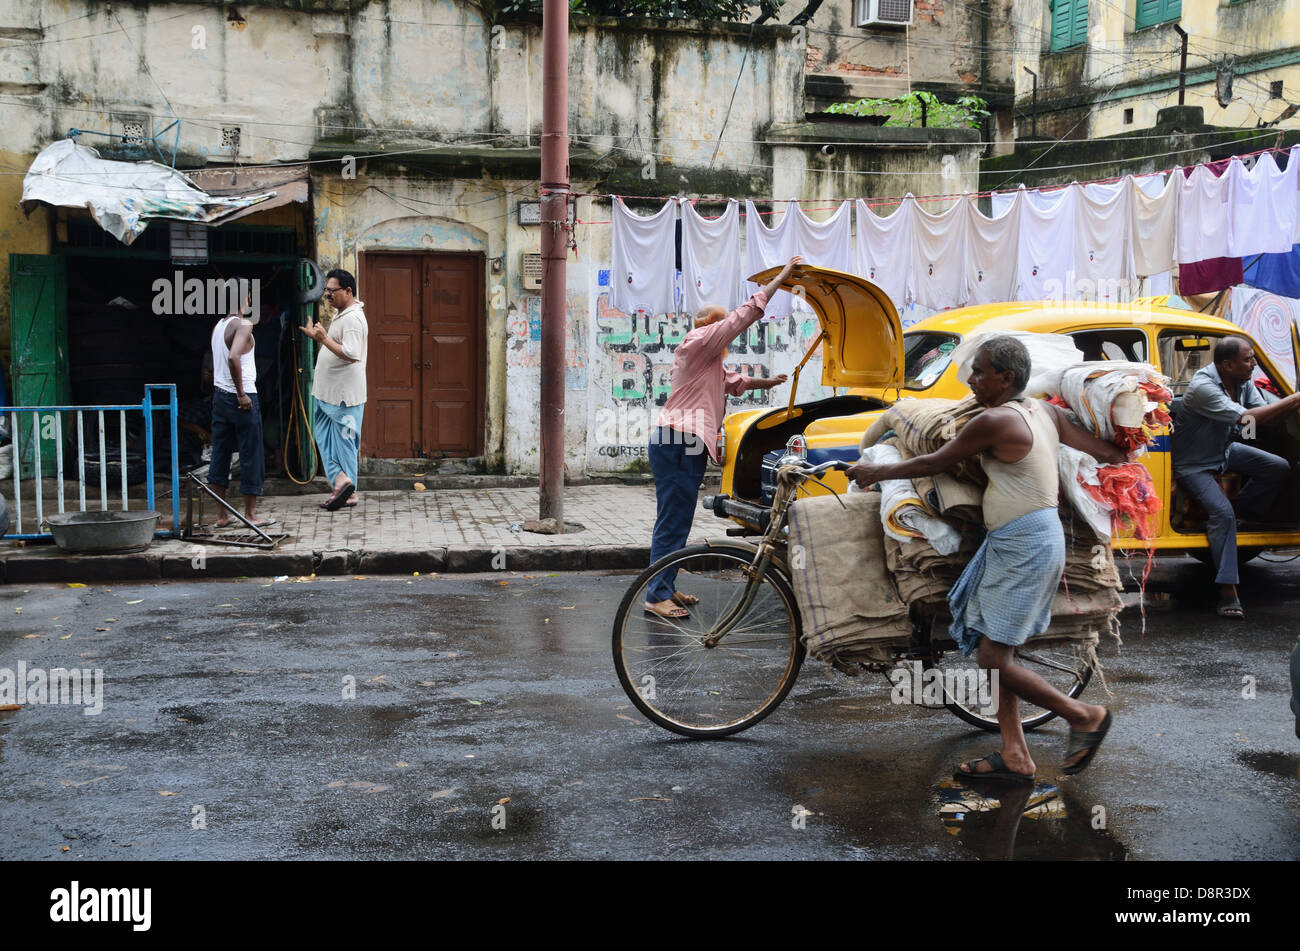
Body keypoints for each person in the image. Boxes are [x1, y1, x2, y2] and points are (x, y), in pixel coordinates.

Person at [848, 336, 1127, 782]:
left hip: (1025, 546)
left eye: (979, 371)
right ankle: (1015, 753)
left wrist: (875, 471)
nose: (971, 379)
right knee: (997, 648)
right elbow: (1105, 451)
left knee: (993, 659)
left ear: (1007, 378)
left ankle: (1083, 715)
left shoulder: (995, 421)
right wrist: (1124, 453)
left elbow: (932, 462)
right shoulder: (1045, 411)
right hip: (1024, 540)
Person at [644, 255, 801, 620]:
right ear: (710, 325)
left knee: (675, 520)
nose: (725, 330)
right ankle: (655, 595)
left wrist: (770, 382)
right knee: (673, 521)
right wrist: (781, 278)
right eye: (720, 322)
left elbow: (735, 383)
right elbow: (742, 316)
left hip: (681, 443)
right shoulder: (700, 340)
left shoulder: (707, 361)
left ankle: (664, 585)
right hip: (678, 442)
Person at [1170, 335, 1299, 619]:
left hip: (1225, 450)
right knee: (1222, 514)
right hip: (1194, 464)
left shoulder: (1243, 380)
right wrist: (1294, 399)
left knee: (1277, 468)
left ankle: (1242, 513)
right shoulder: (1203, 387)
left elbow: (1262, 417)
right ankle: (1228, 589)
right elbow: (1248, 419)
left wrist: (1290, 406)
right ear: (1227, 365)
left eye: (1253, 358)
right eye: (1248, 359)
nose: (1253, 364)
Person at [301, 269, 368, 511]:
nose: (327, 296)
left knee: (343, 445)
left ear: (348, 291)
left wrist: (323, 339)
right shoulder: (344, 314)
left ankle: (347, 491)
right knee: (328, 441)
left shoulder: (351, 319)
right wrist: (319, 336)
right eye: (326, 291)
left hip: (342, 396)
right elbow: (339, 348)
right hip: (330, 393)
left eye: (332, 291)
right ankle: (342, 486)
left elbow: (352, 354)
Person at [209, 285, 271, 529]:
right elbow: (234, 357)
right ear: (244, 299)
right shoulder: (244, 325)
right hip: (240, 398)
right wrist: (241, 394)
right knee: (250, 453)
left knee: (220, 452)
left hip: (220, 396)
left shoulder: (219, 326)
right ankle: (251, 514)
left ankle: (222, 516)